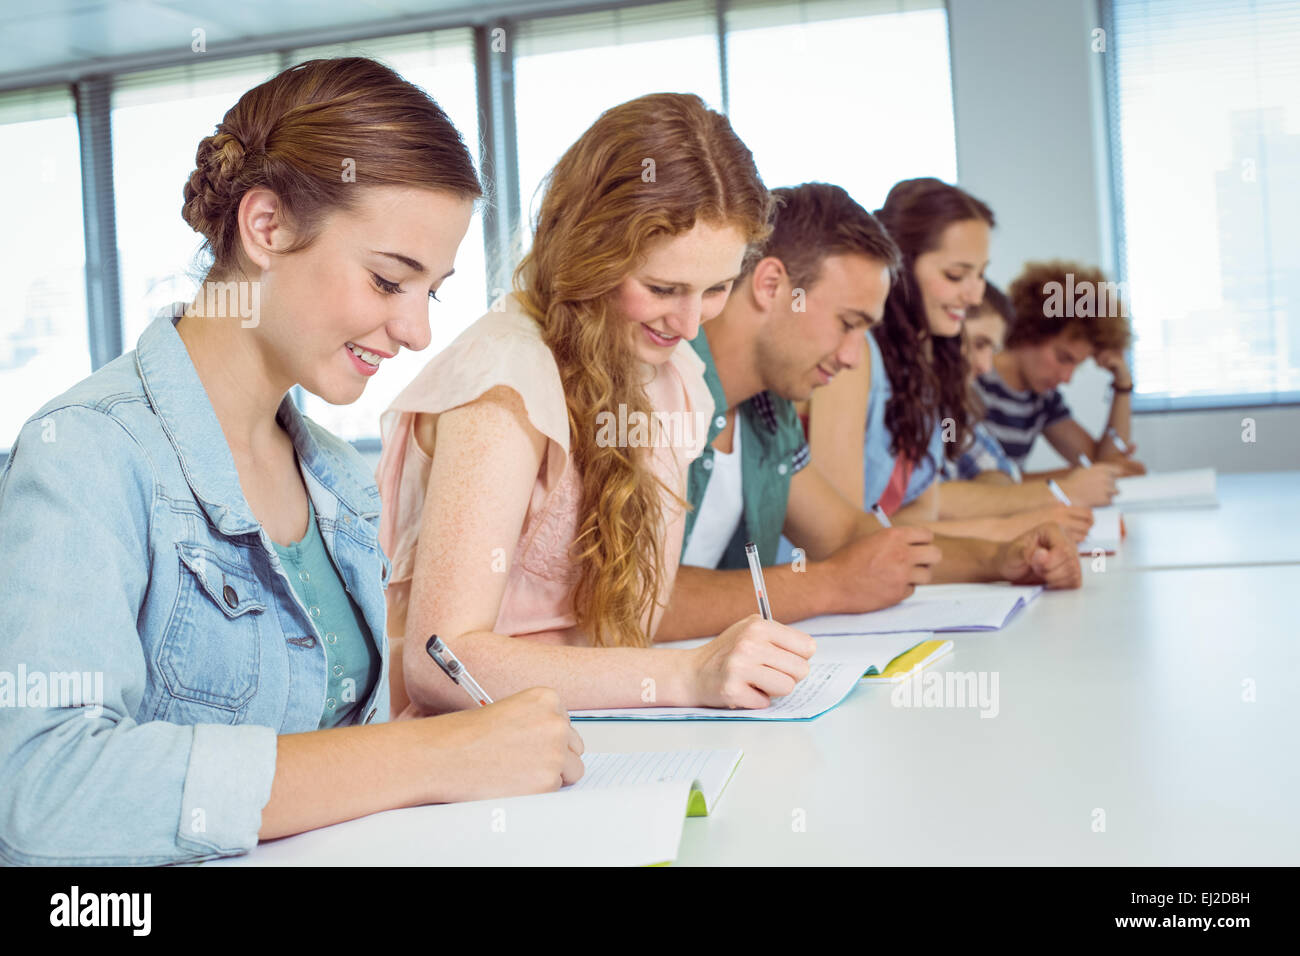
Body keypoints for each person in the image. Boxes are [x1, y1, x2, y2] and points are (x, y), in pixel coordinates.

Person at [0, 57, 583, 867]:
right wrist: (434, 757)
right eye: (388, 280)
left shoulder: (340, 480)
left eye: (431, 293)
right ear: (266, 226)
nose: (416, 332)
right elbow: (45, 790)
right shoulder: (85, 456)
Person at [377, 93, 815, 715]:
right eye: (663, 288)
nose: (690, 324)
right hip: (462, 756)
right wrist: (685, 677)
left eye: (716, 289)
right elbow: (440, 661)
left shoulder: (672, 375)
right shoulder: (506, 378)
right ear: (592, 255)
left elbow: (624, 629)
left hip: (597, 733)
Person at [657, 184, 1081, 642]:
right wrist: (829, 583)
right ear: (771, 286)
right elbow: (631, 601)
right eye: (847, 323)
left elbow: (845, 535)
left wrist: (998, 559)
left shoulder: (768, 411)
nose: (854, 359)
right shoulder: (653, 384)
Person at [975, 260, 1146, 479]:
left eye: (1077, 365)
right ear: (1029, 331)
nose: (1067, 378)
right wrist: (1075, 476)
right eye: (1063, 358)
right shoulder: (974, 379)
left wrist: (1122, 384)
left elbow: (1101, 460)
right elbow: (971, 483)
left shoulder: (1042, 398)